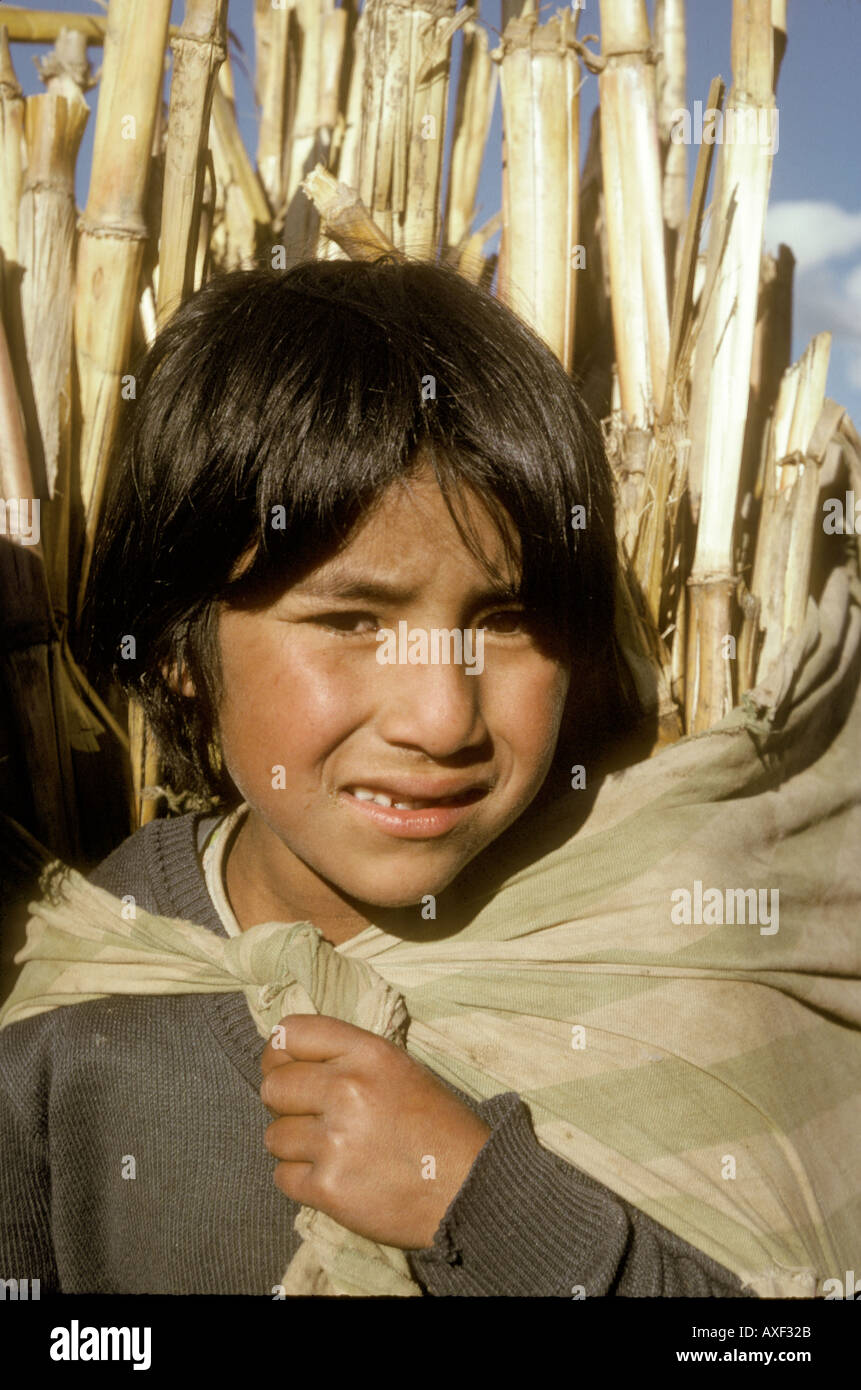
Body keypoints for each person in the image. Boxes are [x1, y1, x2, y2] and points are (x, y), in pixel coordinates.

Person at [0, 258, 749, 1296]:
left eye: (506, 621)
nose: (442, 717)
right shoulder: (68, 1032)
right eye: (352, 622)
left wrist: (487, 1201)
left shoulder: (661, 963)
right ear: (180, 649)